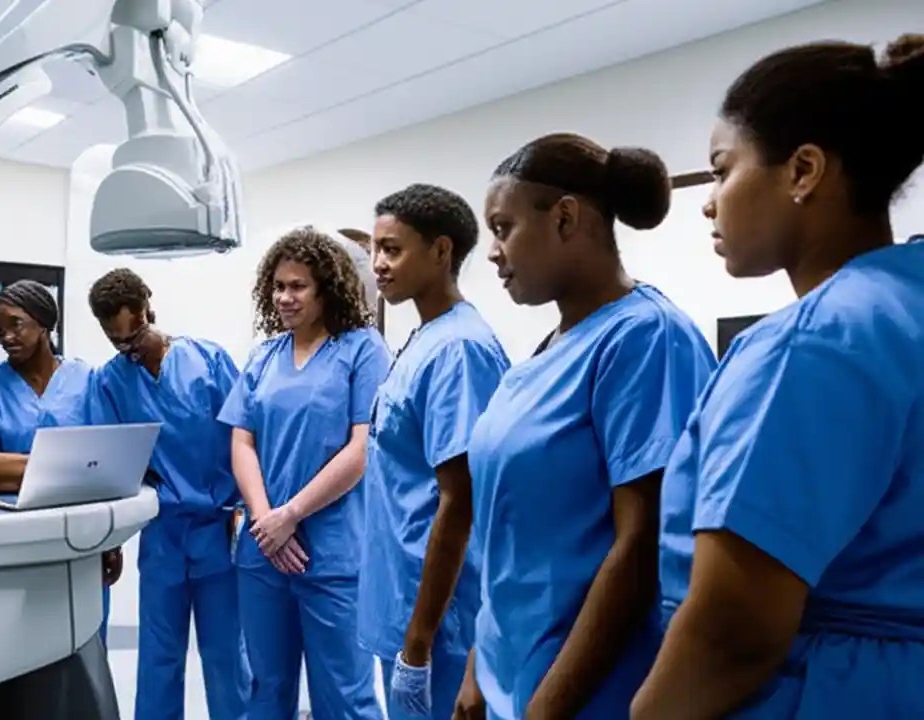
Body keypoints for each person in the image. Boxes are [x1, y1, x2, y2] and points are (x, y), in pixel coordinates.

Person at [631, 35, 924, 718]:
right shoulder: (905, 305)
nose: (708, 202)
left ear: (803, 171)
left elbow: (734, 631)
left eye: (721, 170)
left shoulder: (812, 342)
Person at [457, 135, 717, 720]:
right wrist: (477, 664)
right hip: (510, 672)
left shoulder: (645, 338)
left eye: (503, 228)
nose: (494, 253)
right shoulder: (546, 352)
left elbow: (643, 541)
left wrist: (548, 706)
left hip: (585, 689)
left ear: (566, 217)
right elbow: (509, 539)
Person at [217, 226, 389, 720]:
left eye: (298, 286)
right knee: (266, 690)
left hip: (331, 553)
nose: (285, 297)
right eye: (278, 286)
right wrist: (267, 519)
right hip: (263, 549)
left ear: (326, 288)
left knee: (344, 695)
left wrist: (291, 515)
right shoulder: (265, 356)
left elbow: (361, 449)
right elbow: (242, 441)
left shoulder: (362, 349)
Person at [359, 183, 511, 720]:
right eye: (375, 249)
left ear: (442, 251)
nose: (377, 263)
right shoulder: (425, 338)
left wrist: (419, 643)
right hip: (404, 598)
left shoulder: (460, 349)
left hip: (439, 619)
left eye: (392, 249)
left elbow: (460, 500)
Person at [82, 268, 250, 720]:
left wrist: (248, 508)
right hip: (163, 535)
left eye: (135, 335)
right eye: (118, 342)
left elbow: (245, 440)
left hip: (220, 529)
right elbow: (110, 467)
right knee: (159, 657)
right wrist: (109, 539)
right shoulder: (109, 382)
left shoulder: (208, 362)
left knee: (225, 657)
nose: (129, 349)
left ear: (148, 309)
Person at [0, 279, 121, 637]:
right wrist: (71, 466)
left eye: (16, 324)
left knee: (86, 649)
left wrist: (112, 540)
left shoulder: (85, 380)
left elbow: (107, 466)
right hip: (16, 543)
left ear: (45, 325)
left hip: (82, 539)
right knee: (20, 652)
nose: (5, 336)